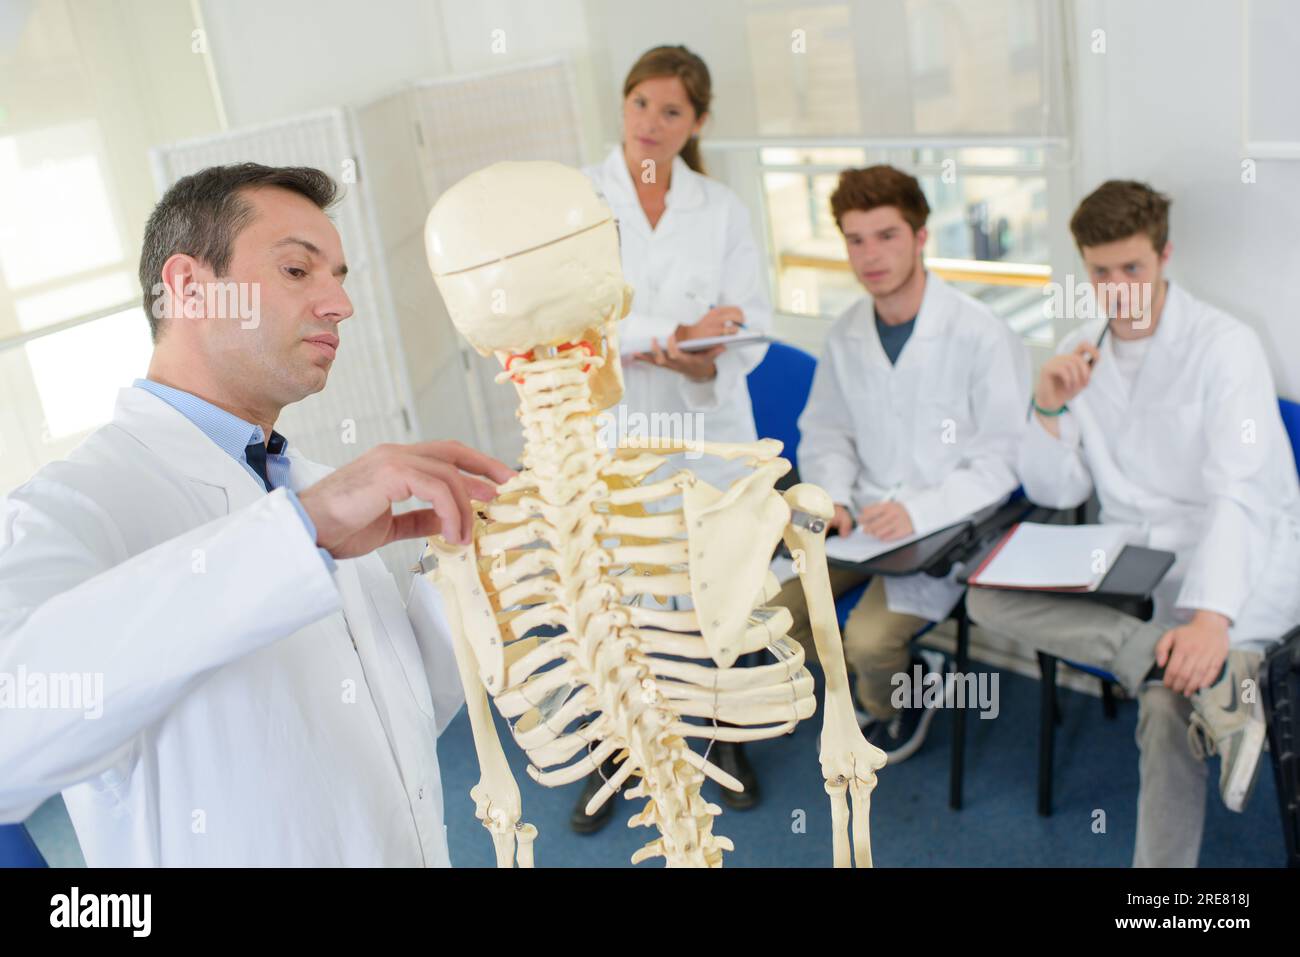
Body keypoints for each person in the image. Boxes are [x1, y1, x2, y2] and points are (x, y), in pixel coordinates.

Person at [0, 163, 515, 866]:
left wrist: (466, 584)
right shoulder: (70, 506)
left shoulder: (300, 485)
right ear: (186, 286)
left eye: (338, 275)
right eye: (298, 271)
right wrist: (298, 533)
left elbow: (387, 721)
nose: (340, 304)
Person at [966, 179, 1300, 866]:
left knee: (1164, 707)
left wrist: (1209, 619)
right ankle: (1170, 664)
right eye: (1100, 271)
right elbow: (1059, 488)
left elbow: (1241, 493)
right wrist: (1050, 406)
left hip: (1234, 551)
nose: (1117, 288)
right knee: (983, 592)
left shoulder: (1224, 345)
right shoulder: (1078, 348)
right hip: (1129, 555)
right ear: (1083, 266)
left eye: (1133, 269)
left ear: (1164, 255)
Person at [575, 44, 773, 829]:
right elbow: (580, 316)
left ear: (696, 123)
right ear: (621, 107)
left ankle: (723, 733)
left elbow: (750, 321)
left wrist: (696, 356)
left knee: (710, 589)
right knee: (615, 593)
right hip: (615, 433)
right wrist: (677, 331)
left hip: (703, 425)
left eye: (671, 111)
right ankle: (616, 742)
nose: (651, 124)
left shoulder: (720, 209)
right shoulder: (579, 203)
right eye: (640, 105)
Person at [773, 165, 1028, 763]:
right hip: (858, 520)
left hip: (940, 528)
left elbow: (1004, 458)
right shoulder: (845, 335)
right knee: (778, 617)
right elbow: (826, 430)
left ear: (920, 237)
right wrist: (833, 495)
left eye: (887, 235)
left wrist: (919, 509)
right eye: (856, 240)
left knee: (867, 640)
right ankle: (866, 685)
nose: (870, 255)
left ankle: (896, 702)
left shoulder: (981, 334)